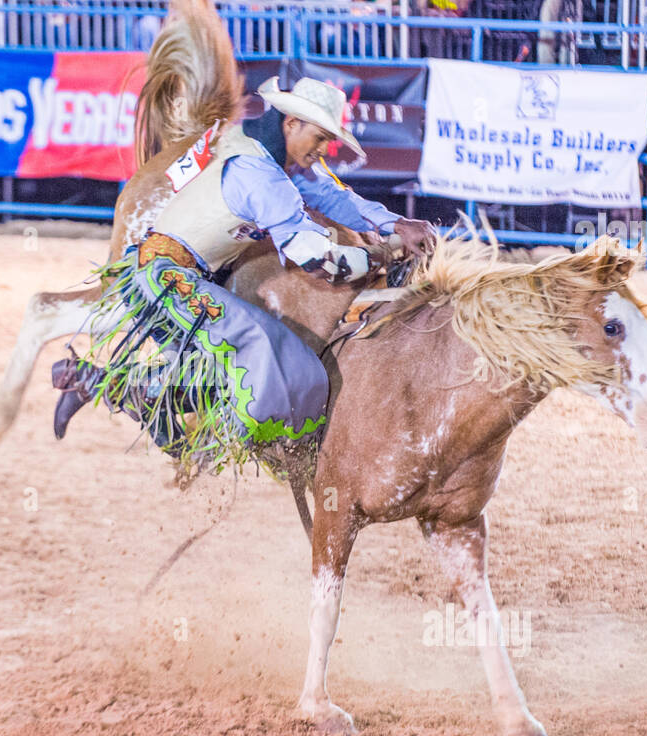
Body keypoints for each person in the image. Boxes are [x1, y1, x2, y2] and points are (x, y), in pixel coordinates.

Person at [50, 77, 436, 465]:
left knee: (224, 374)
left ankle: (91, 382)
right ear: (291, 124)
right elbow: (320, 262)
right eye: (319, 138)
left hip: (164, 279)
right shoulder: (262, 177)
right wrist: (384, 253)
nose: (323, 149)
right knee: (264, 354)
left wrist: (394, 223)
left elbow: (332, 196)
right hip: (167, 283)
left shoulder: (258, 153)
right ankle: (173, 421)